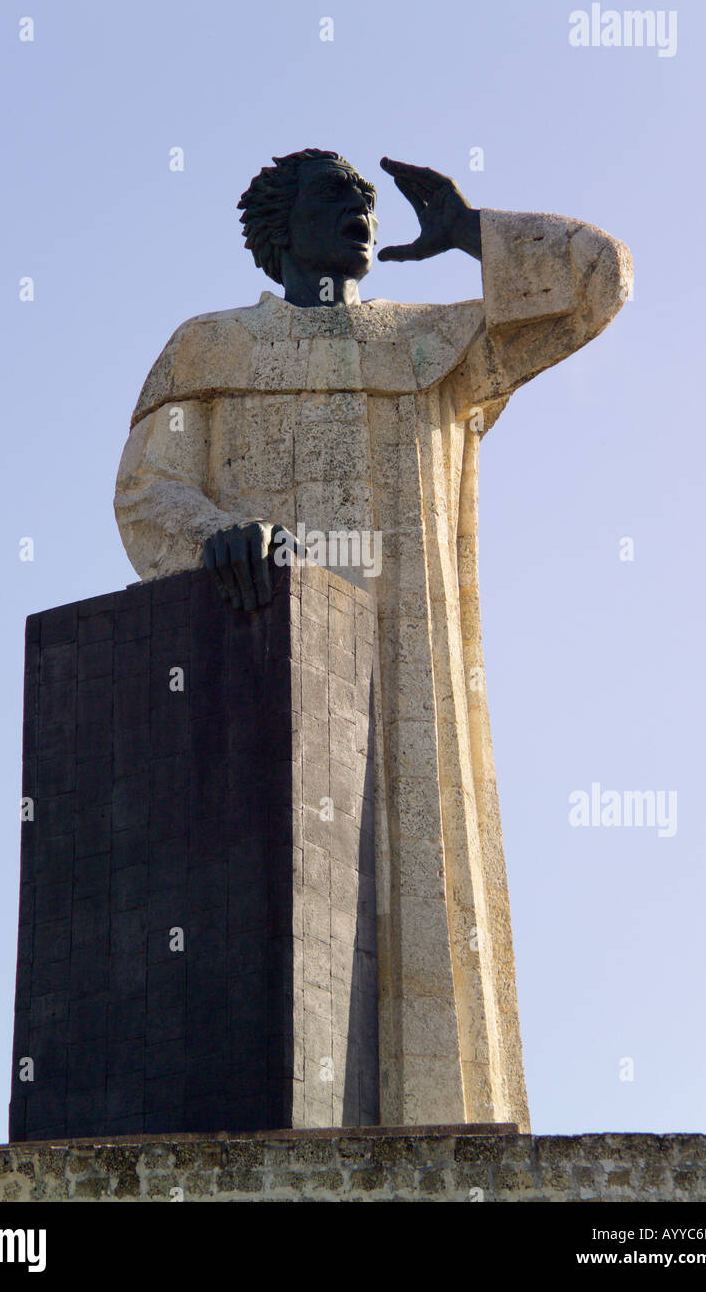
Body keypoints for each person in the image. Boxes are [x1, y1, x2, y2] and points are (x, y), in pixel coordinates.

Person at [114, 149, 632, 1126]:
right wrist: (215, 534)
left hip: (411, 675)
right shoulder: (208, 348)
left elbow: (594, 283)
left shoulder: (434, 344)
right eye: (331, 197)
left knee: (424, 896)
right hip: (263, 660)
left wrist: (473, 229)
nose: (355, 210)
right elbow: (148, 491)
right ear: (279, 229)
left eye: (363, 200)